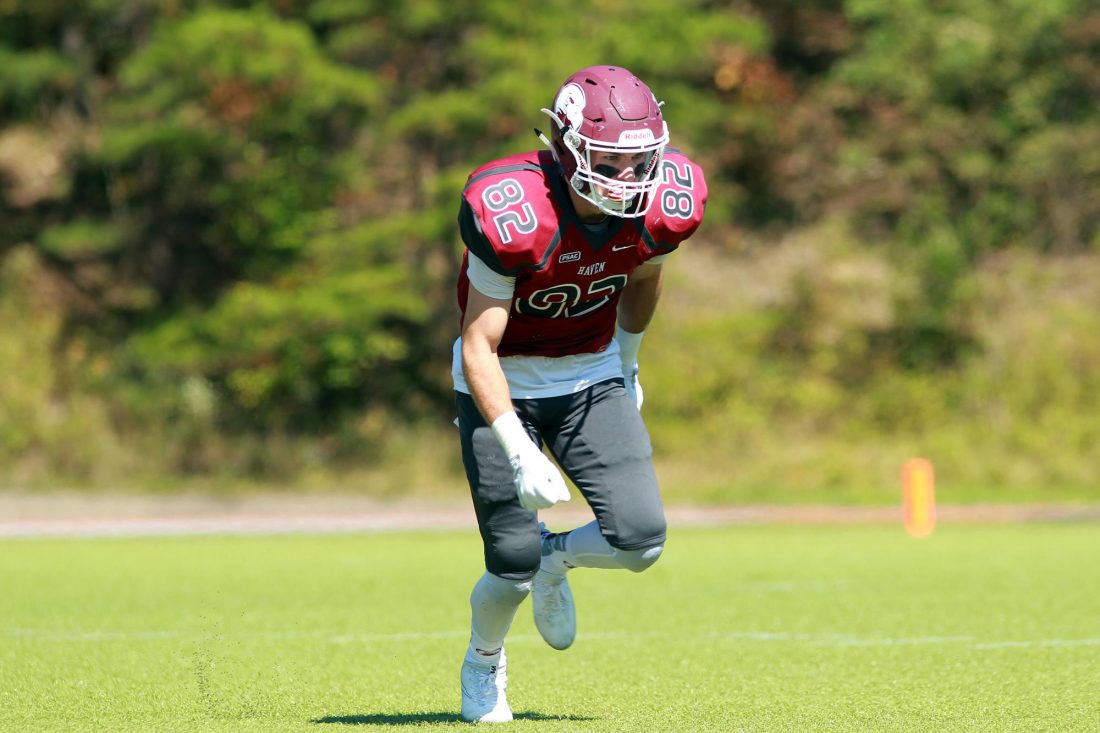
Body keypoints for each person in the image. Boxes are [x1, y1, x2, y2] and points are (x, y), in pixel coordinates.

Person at [452, 65, 707, 723]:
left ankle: (557, 558)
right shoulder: (515, 211)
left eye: (641, 158)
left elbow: (644, 279)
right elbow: (478, 345)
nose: (632, 176)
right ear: (567, 150)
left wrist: (628, 362)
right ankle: (484, 662)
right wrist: (516, 447)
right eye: (613, 160)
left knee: (642, 539)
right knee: (508, 563)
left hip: (589, 374)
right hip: (503, 379)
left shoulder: (658, 207)